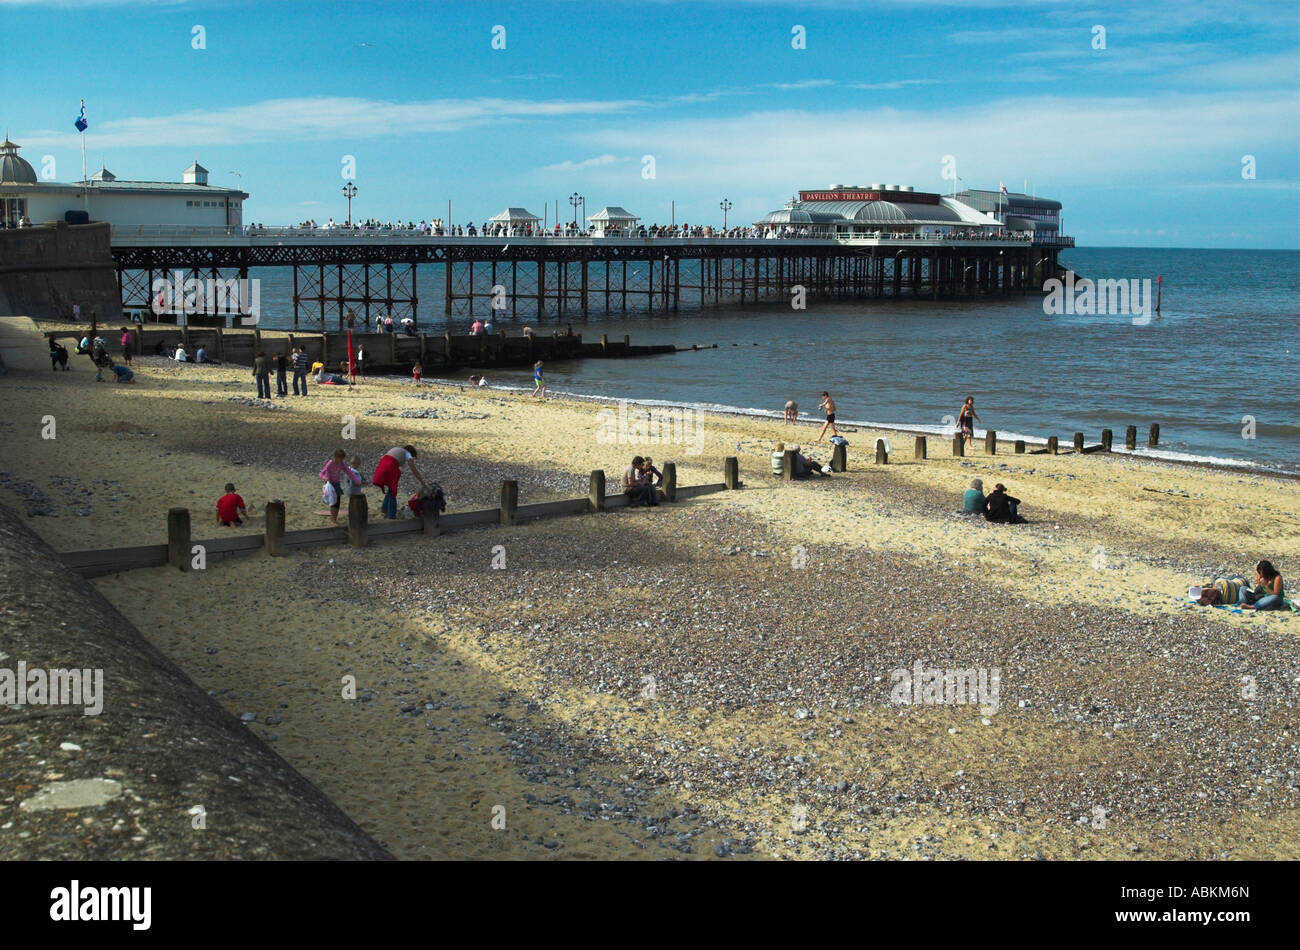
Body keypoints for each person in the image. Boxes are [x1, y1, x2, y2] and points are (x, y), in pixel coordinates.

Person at [373, 445, 427, 519]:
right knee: (393, 492)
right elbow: (413, 469)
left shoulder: (396, 449)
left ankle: (384, 509)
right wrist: (422, 482)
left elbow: (386, 458)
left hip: (382, 465)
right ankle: (391, 515)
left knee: (390, 489)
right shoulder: (407, 453)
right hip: (390, 467)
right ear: (411, 453)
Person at [320, 448, 362, 525]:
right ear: (335, 457)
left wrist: (357, 482)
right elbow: (321, 473)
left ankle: (334, 519)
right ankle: (333, 520)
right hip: (330, 485)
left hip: (337, 484)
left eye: (342, 459)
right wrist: (326, 479)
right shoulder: (330, 463)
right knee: (333, 503)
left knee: (338, 502)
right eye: (340, 459)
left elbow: (349, 473)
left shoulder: (341, 464)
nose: (342, 461)